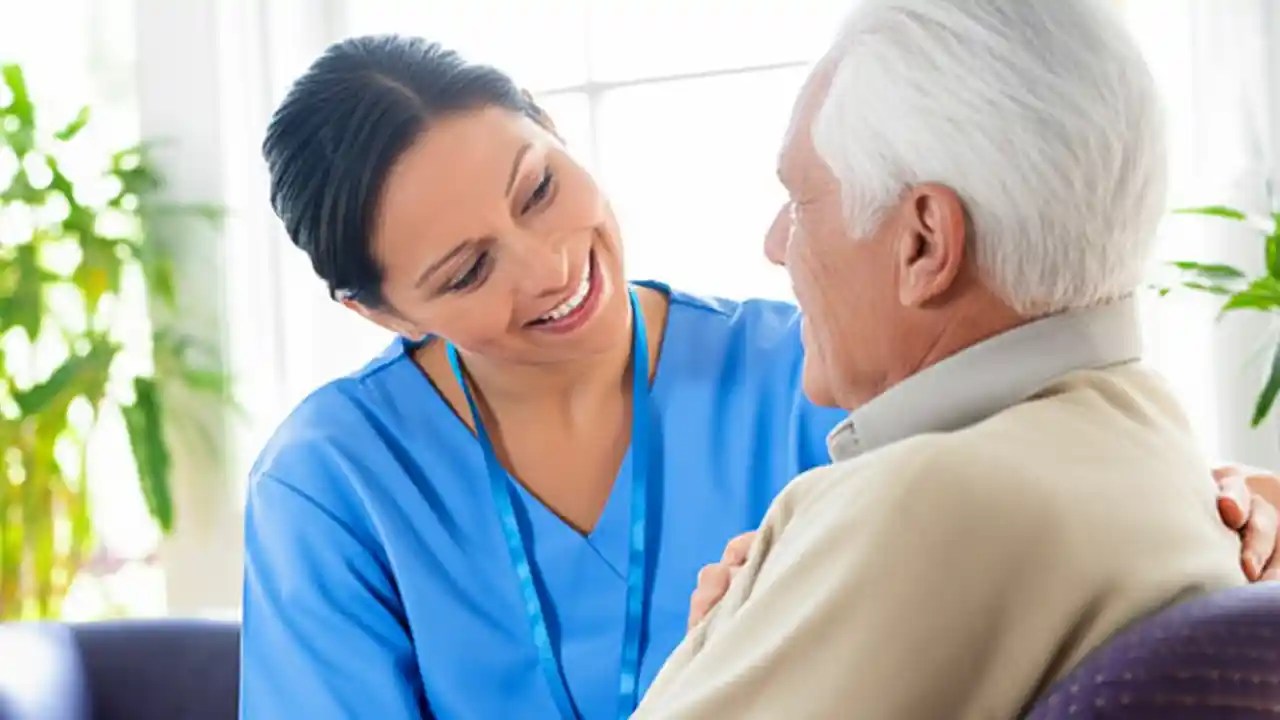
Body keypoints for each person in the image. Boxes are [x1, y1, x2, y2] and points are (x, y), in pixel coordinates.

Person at [239, 32, 1280, 720]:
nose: (549, 264)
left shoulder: (820, 369)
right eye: (466, 271)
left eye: (539, 188)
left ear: (554, 130)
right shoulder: (332, 481)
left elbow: (1044, 479)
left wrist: (1219, 500)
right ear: (377, 311)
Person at [631, 1, 1267, 718]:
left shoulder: (912, 508)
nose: (777, 244)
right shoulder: (1167, 448)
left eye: (801, 202)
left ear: (925, 244)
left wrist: (729, 641)